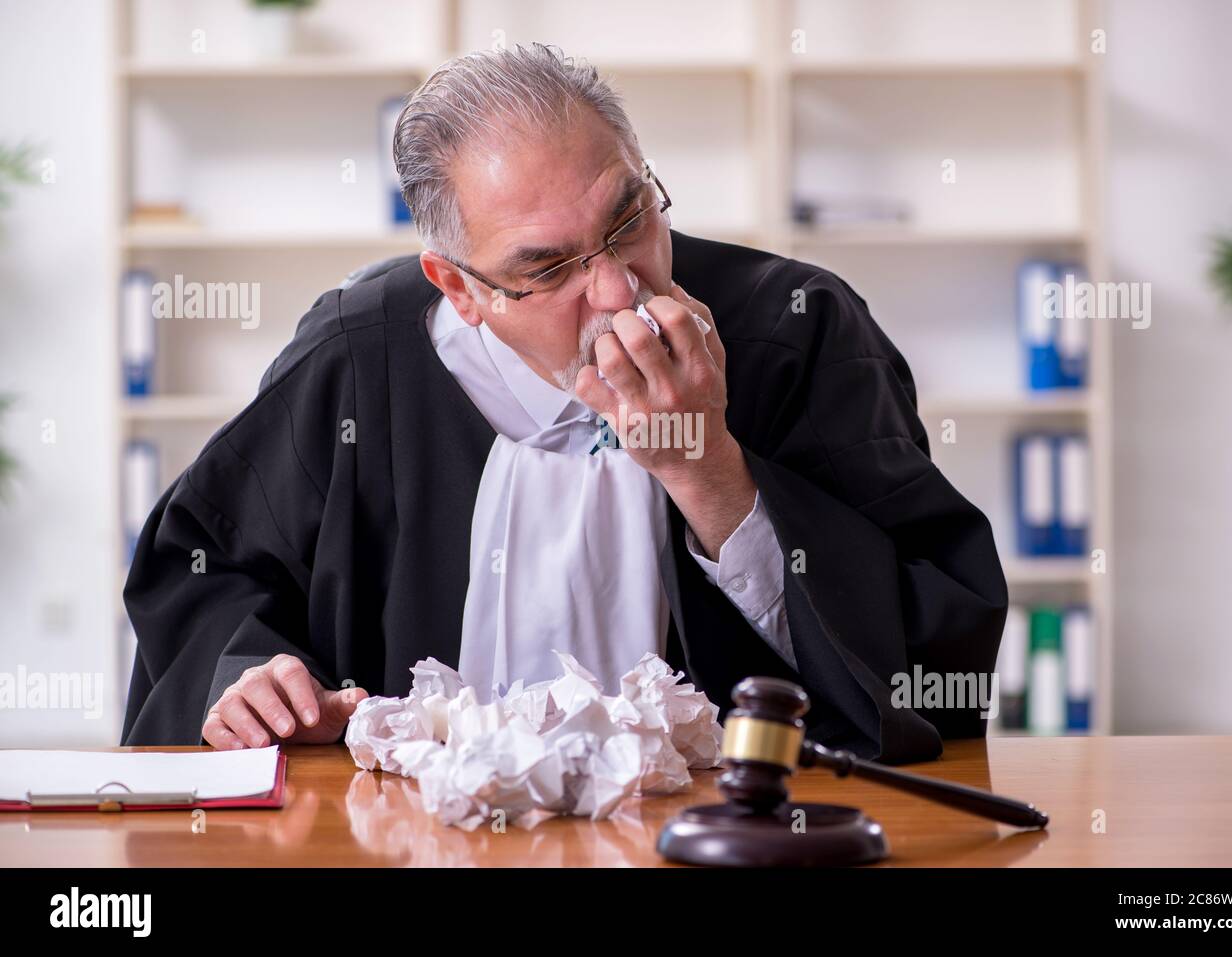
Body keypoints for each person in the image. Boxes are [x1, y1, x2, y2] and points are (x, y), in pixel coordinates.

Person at [121, 43, 1007, 763]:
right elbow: (199, 564)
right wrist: (250, 673)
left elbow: (936, 662)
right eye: (545, 269)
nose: (619, 290)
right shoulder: (360, 355)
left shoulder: (799, 330)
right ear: (458, 287)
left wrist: (713, 475)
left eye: (630, 220)